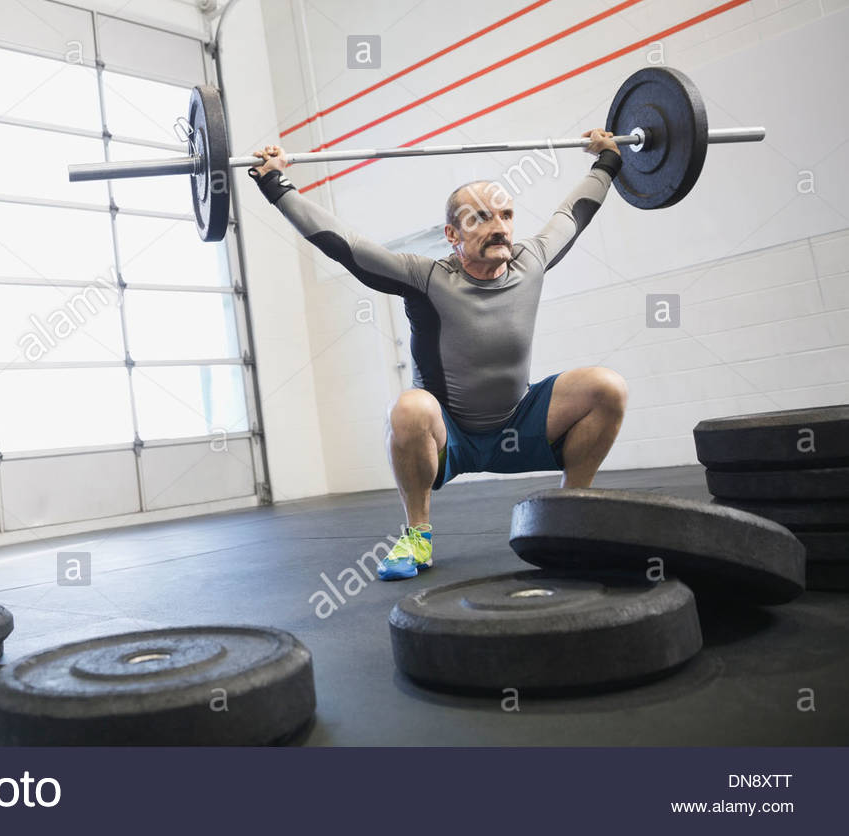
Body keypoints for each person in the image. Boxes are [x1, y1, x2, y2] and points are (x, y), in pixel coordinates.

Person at [249, 132, 629, 579]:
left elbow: (575, 212)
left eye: (506, 216)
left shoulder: (533, 260)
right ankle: (416, 537)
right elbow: (345, 245)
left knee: (606, 387)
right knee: (408, 408)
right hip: (446, 436)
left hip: (519, 421)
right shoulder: (425, 277)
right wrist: (277, 185)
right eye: (481, 219)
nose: (500, 228)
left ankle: (569, 517)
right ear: (452, 234)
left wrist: (607, 160)